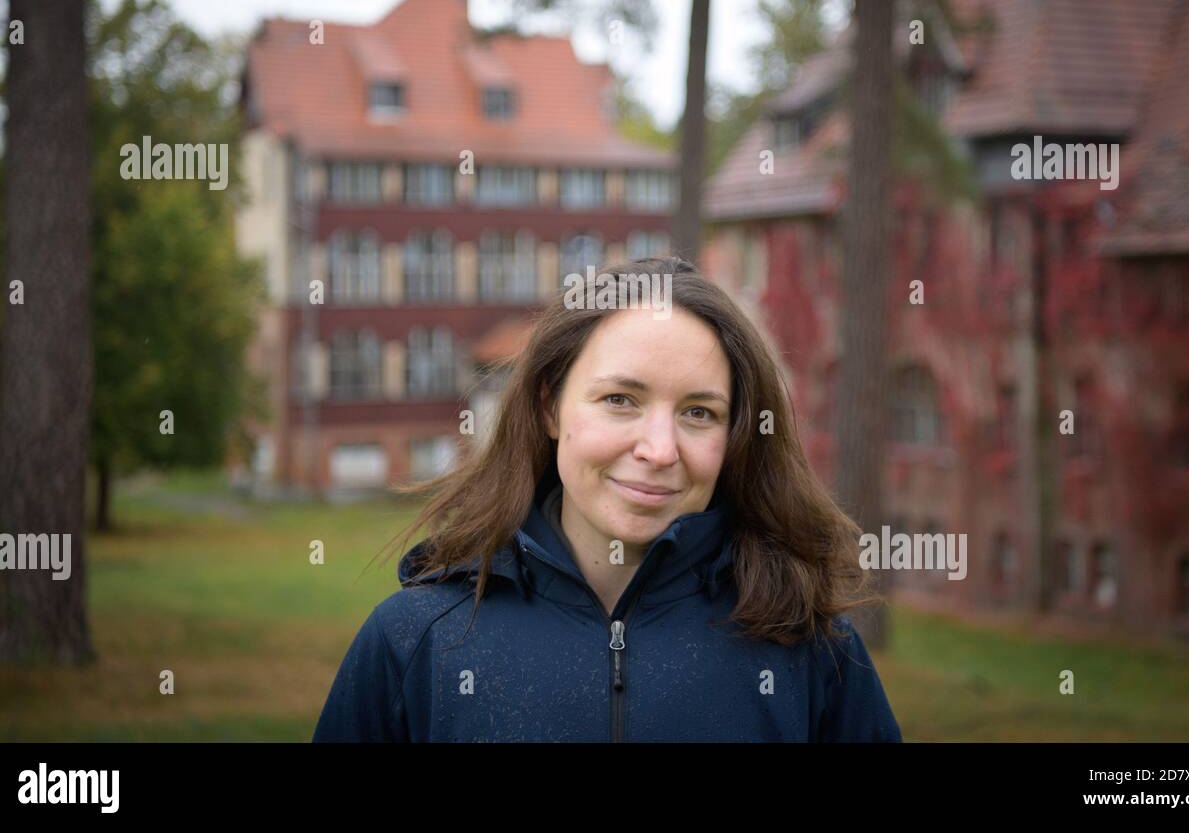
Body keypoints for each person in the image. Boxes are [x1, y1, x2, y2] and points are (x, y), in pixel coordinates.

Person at [312, 256, 902, 742]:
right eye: (621, 399)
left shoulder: (812, 649)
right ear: (549, 407)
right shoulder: (415, 641)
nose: (660, 449)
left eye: (700, 413)